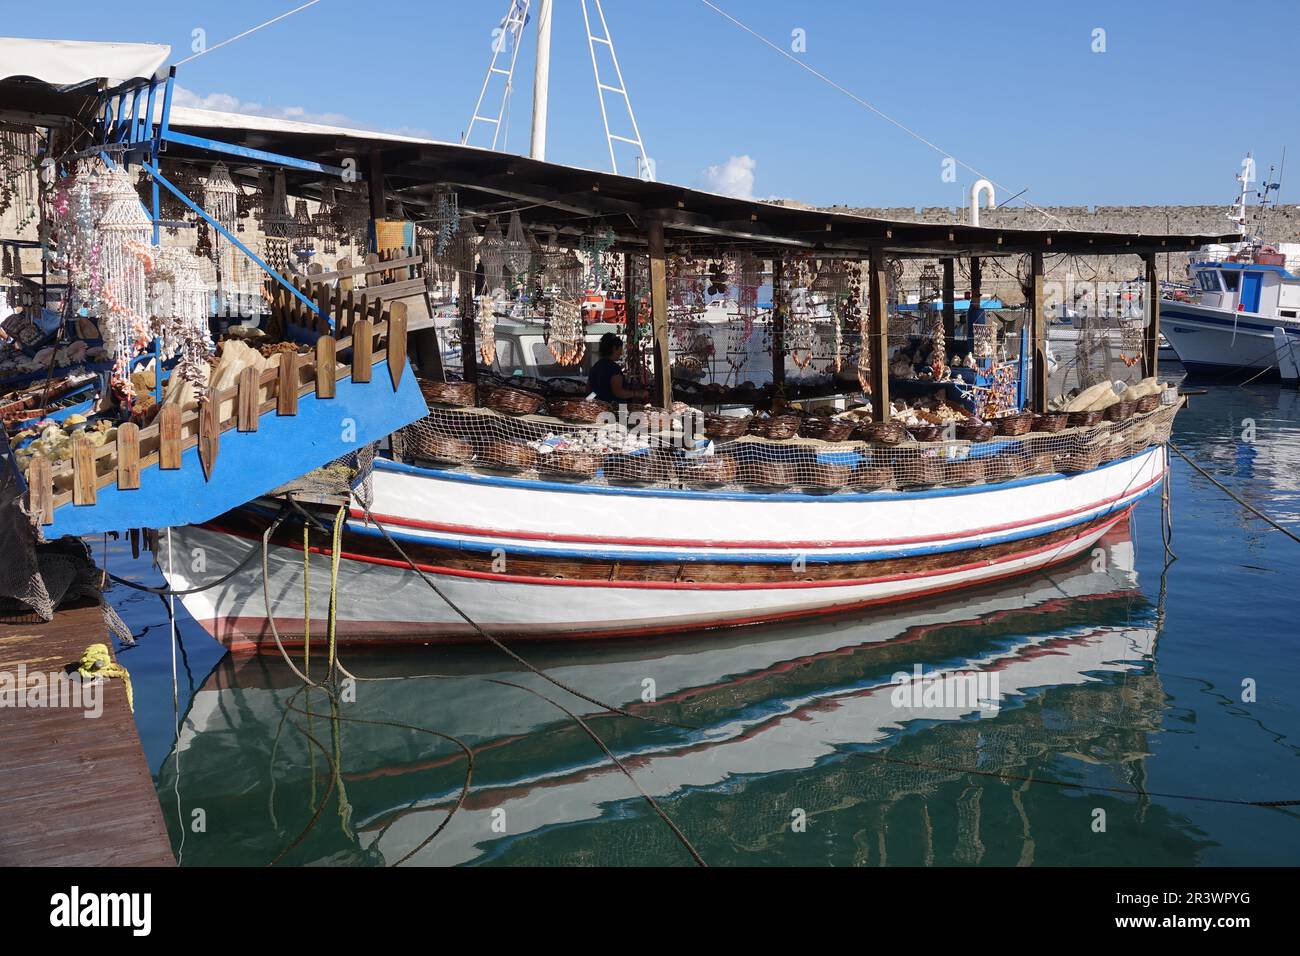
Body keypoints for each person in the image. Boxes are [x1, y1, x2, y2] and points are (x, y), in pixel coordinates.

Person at [588, 332, 649, 404]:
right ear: (614, 348)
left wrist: (591, 402)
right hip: (615, 409)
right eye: (620, 349)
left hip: (597, 408)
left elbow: (590, 390)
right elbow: (618, 392)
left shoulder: (596, 366)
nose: (621, 353)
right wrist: (637, 393)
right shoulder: (613, 368)